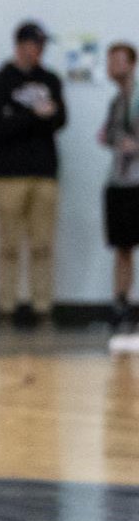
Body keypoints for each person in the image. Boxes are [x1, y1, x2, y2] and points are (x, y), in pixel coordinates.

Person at [0, 20, 67, 328]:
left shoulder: (51, 79)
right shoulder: (0, 81)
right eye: (37, 44)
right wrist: (35, 115)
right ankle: (6, 309)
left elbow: (60, 119)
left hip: (45, 172)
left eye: (44, 45)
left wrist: (25, 118)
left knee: (43, 245)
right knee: (8, 245)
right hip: (8, 174)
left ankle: (42, 308)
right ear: (21, 45)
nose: (41, 50)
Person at [99, 42, 139, 333]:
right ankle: (120, 304)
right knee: (122, 246)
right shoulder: (117, 101)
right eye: (110, 61)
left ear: (132, 64)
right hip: (121, 180)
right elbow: (109, 133)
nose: (112, 66)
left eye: (118, 61)